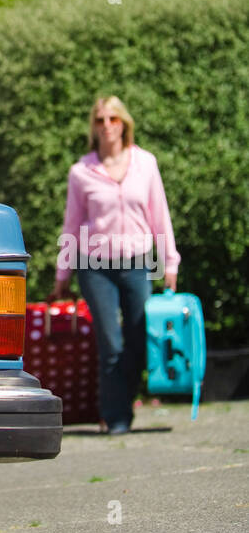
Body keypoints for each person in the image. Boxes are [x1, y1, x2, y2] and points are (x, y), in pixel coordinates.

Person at [52, 95, 180, 435]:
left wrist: (170, 262)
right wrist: (63, 273)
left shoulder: (146, 164)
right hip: (94, 266)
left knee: (138, 339)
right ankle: (117, 417)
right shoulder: (81, 172)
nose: (107, 125)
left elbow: (160, 217)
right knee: (111, 343)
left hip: (139, 261)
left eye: (113, 119)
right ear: (93, 127)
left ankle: (124, 405)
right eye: (100, 120)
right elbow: (72, 224)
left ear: (124, 123)